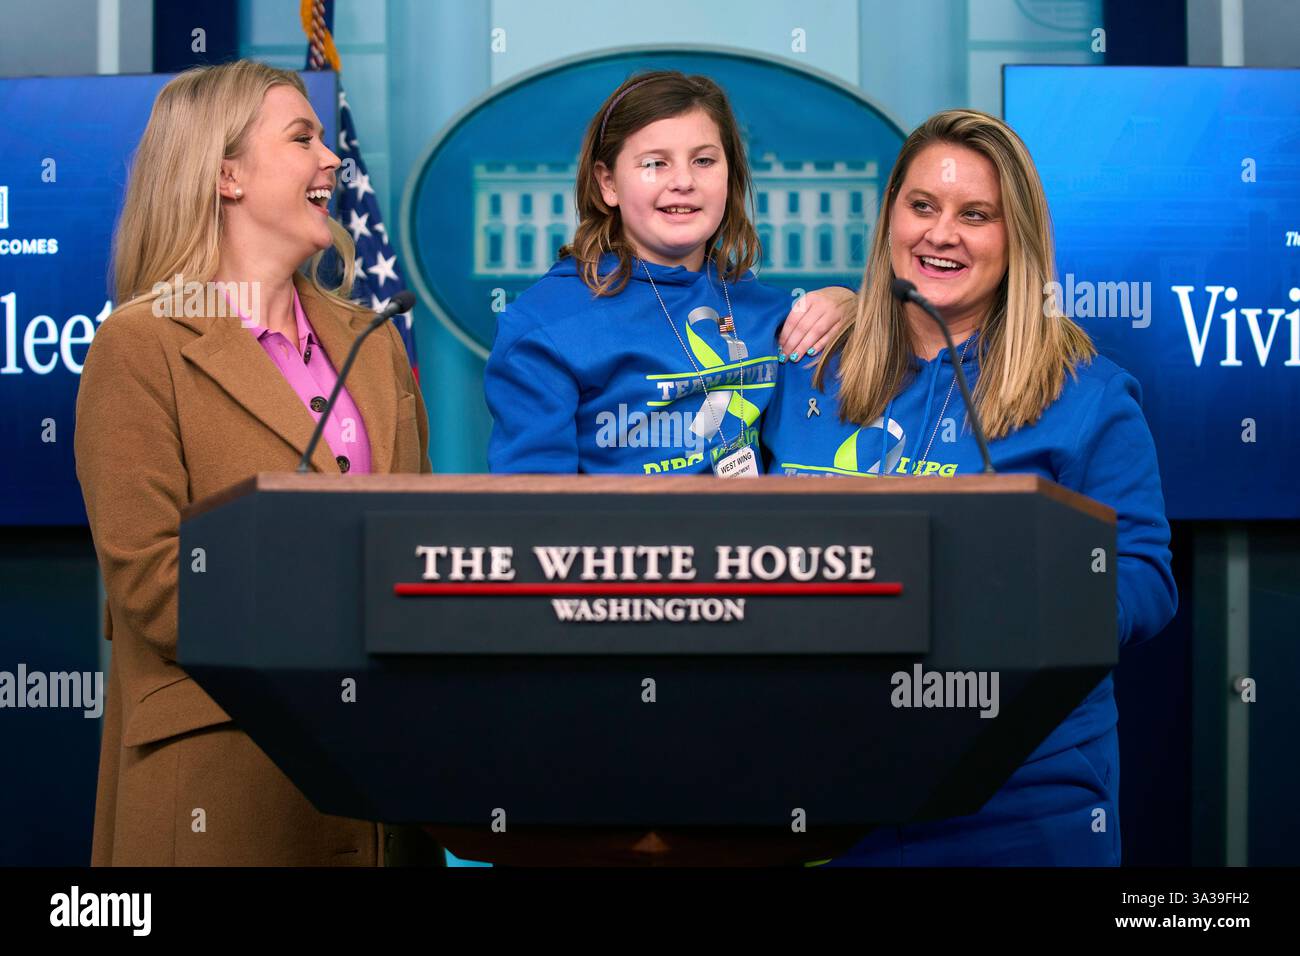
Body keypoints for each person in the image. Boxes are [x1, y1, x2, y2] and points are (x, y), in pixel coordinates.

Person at [763, 109, 1177, 864]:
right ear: (891, 218)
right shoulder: (808, 374)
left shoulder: (1088, 395)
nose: (940, 234)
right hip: (831, 809)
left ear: (1015, 234)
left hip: (1020, 811)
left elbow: (1145, 578)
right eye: (922, 206)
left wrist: (1018, 611)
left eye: (974, 215)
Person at [75, 60, 436, 865]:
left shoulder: (374, 345)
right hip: (227, 784)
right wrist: (353, 603)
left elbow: (420, 540)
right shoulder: (141, 348)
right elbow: (156, 587)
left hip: (381, 782)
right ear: (225, 173)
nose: (331, 159)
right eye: (302, 137)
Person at [484, 70, 855, 475]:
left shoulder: (773, 313)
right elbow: (534, 512)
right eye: (655, 163)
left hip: (754, 537)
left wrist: (849, 305)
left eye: (704, 160)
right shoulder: (545, 324)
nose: (683, 181)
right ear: (608, 184)